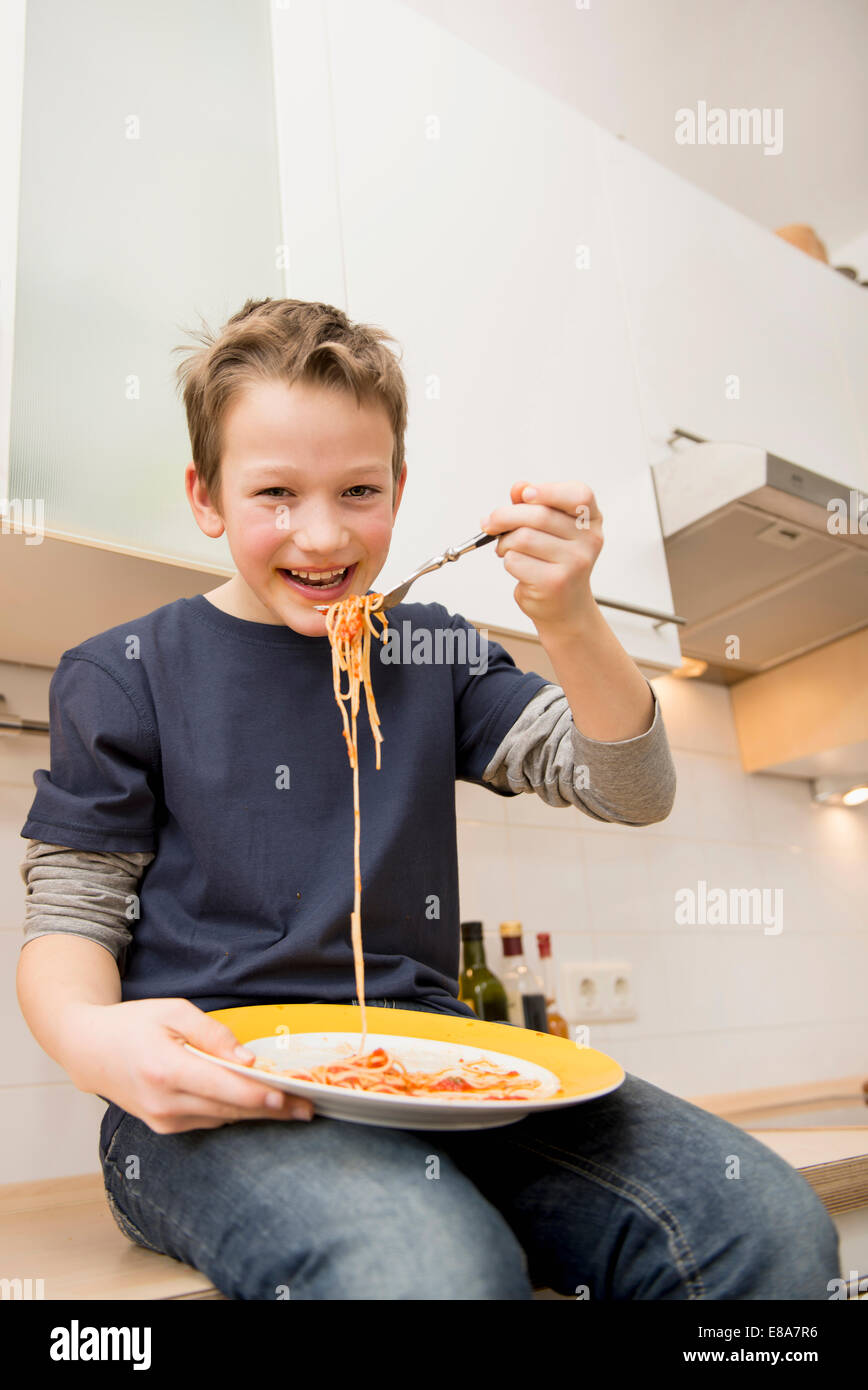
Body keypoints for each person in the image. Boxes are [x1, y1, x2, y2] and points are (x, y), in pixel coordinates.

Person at [16, 298, 839, 1300]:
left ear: (399, 490)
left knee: (762, 1224)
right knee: (432, 1270)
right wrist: (96, 1040)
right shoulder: (126, 672)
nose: (320, 534)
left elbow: (631, 788)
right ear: (206, 496)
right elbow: (68, 925)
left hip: (432, 1070)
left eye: (358, 489)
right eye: (274, 491)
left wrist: (570, 616)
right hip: (219, 1102)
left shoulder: (431, 650)